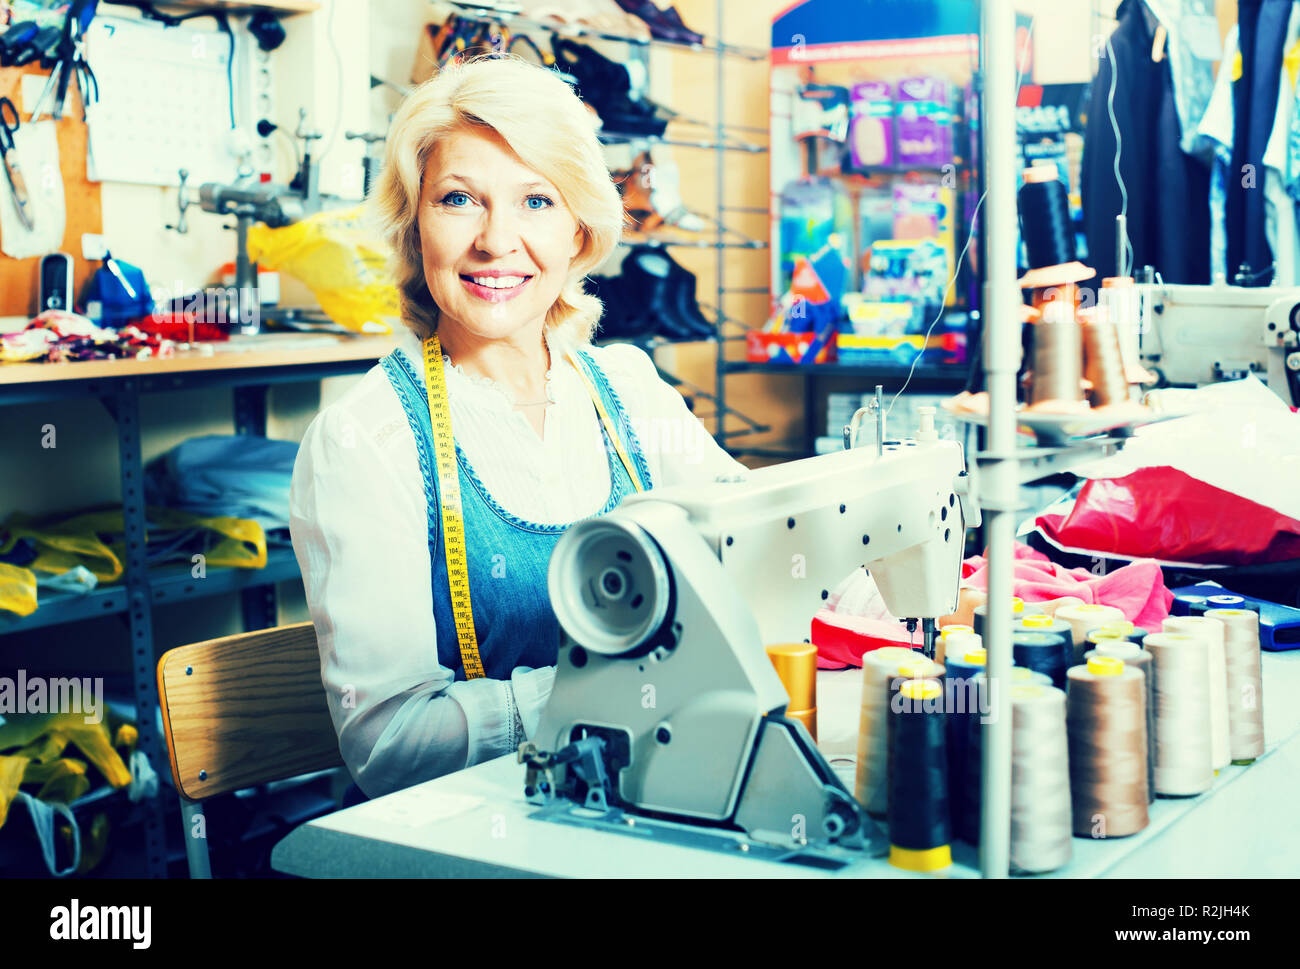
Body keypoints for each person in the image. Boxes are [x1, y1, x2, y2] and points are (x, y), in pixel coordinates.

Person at [288, 54, 744, 800]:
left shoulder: (628, 390)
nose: (497, 241)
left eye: (537, 200)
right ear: (414, 228)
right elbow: (388, 746)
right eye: (460, 199)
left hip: (646, 804)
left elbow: (755, 537)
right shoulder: (365, 441)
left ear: (579, 233)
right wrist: (629, 674)